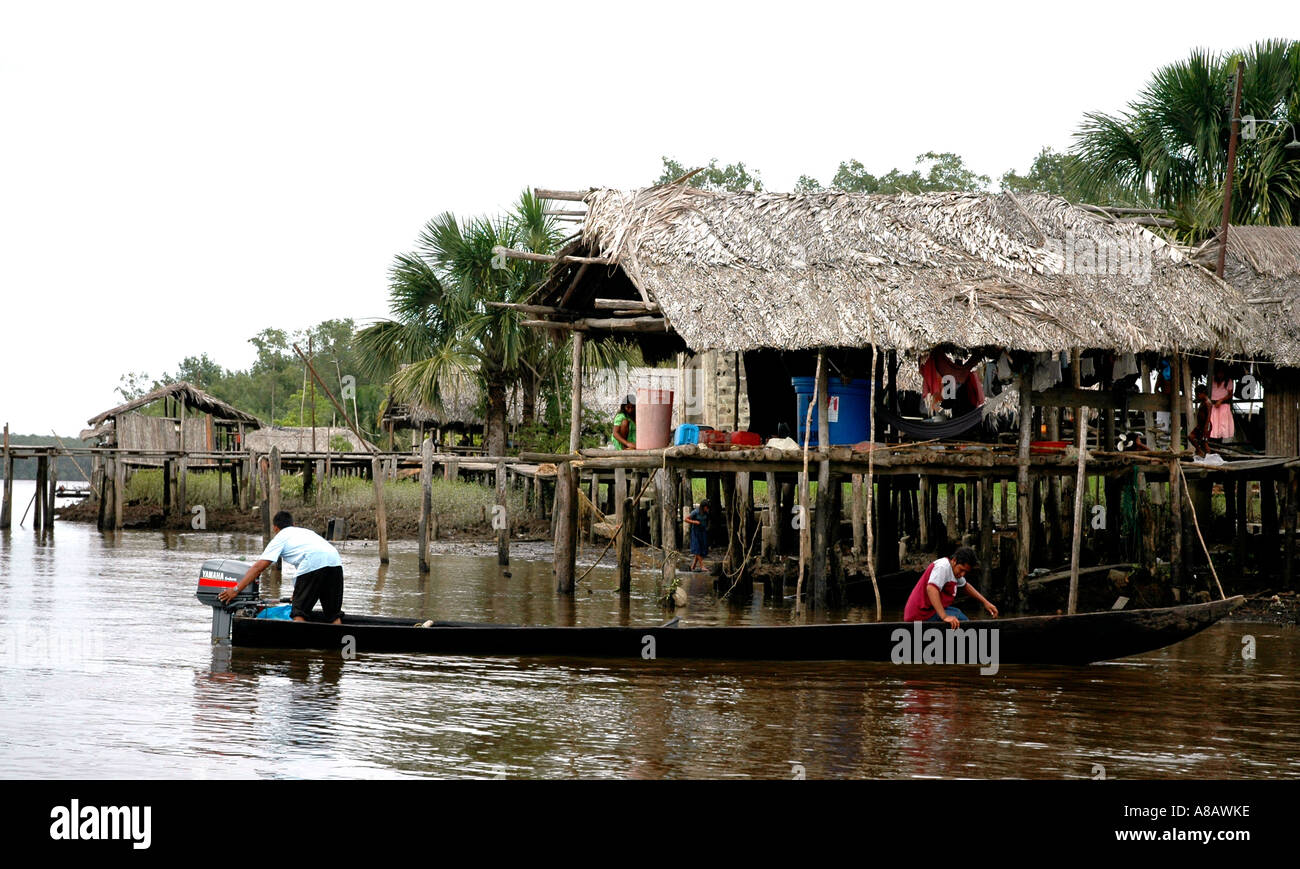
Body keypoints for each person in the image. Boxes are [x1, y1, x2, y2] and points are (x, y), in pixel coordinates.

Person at [217, 511, 345, 624]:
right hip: (335, 561)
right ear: (293, 524)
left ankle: (297, 648)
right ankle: (336, 646)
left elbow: (258, 567)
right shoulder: (306, 532)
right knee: (333, 615)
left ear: (275, 528)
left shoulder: (280, 537)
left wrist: (236, 590)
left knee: (298, 613)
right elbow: (307, 567)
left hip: (313, 563)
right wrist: (297, 593)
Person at [902, 546, 997, 628]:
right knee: (960, 618)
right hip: (920, 614)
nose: (962, 574)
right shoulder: (943, 567)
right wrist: (944, 617)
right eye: (961, 570)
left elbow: (966, 586)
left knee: (957, 612)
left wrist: (986, 602)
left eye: (965, 572)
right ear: (954, 561)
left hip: (929, 611)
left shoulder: (954, 572)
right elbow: (931, 589)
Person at [1208, 368, 1235, 441]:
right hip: (1213, 406)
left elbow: (1230, 394)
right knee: (1212, 426)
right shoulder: (1212, 379)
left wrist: (1221, 400)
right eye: (1219, 373)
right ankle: (1212, 445)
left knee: (1221, 426)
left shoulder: (1228, 381)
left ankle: (1219, 444)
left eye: (1222, 373)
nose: (1220, 375)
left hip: (1223, 406)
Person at [685, 499, 710, 571]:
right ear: (703, 507)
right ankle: (702, 566)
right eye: (706, 507)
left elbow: (707, 521)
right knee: (697, 548)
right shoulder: (695, 512)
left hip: (703, 532)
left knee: (701, 549)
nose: (707, 509)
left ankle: (693, 566)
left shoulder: (706, 513)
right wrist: (694, 522)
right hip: (695, 532)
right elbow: (686, 519)